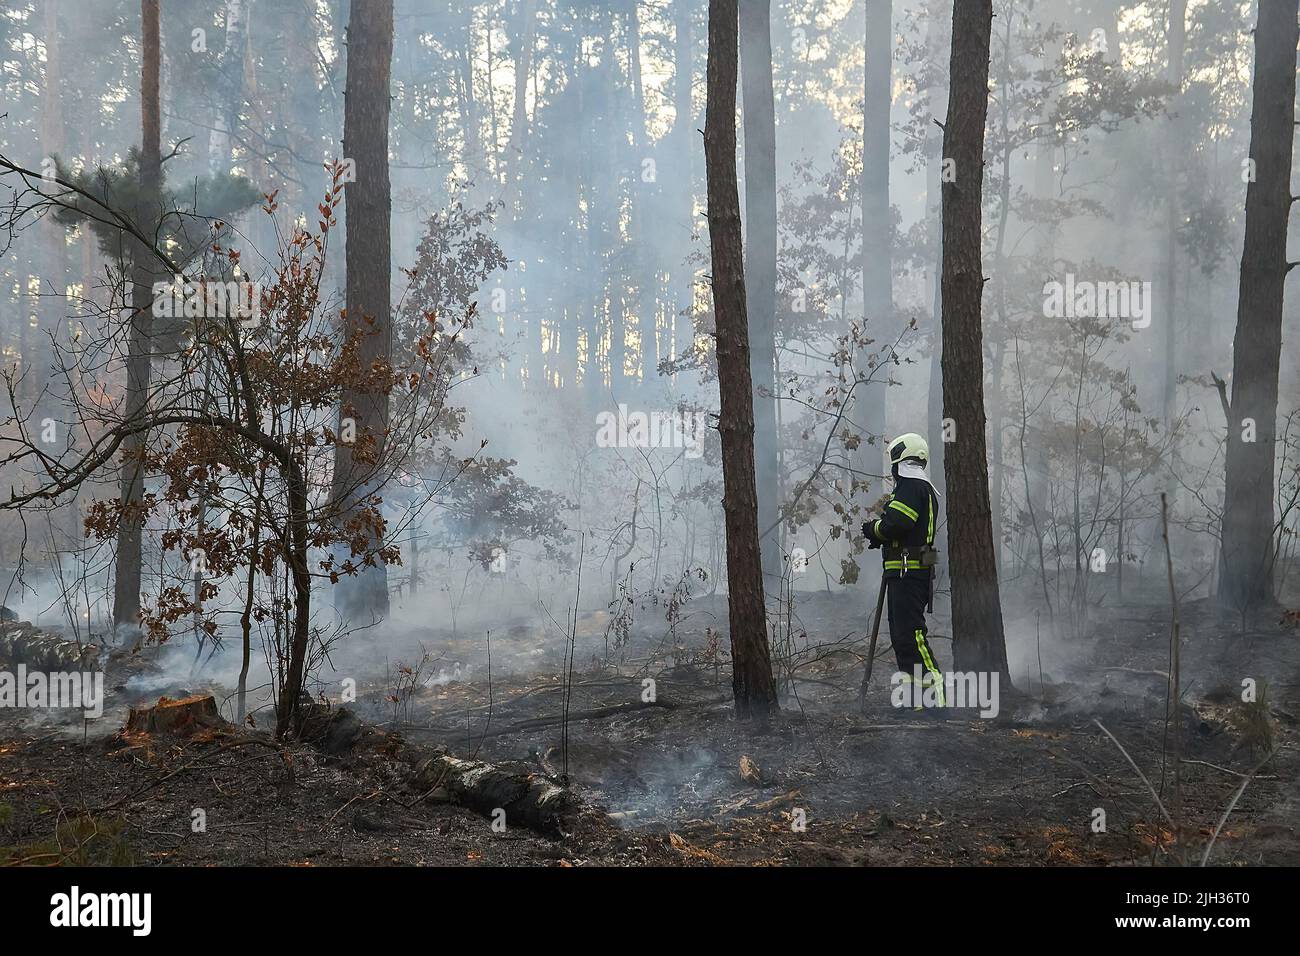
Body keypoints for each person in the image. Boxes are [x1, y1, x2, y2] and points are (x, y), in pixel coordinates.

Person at [862, 432, 944, 708]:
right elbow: (902, 528)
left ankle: (936, 702)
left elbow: (896, 523)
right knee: (902, 638)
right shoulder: (918, 487)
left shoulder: (911, 486)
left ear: (901, 462)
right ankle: (917, 703)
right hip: (904, 571)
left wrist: (872, 530)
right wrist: (883, 538)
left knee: (912, 636)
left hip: (910, 573)